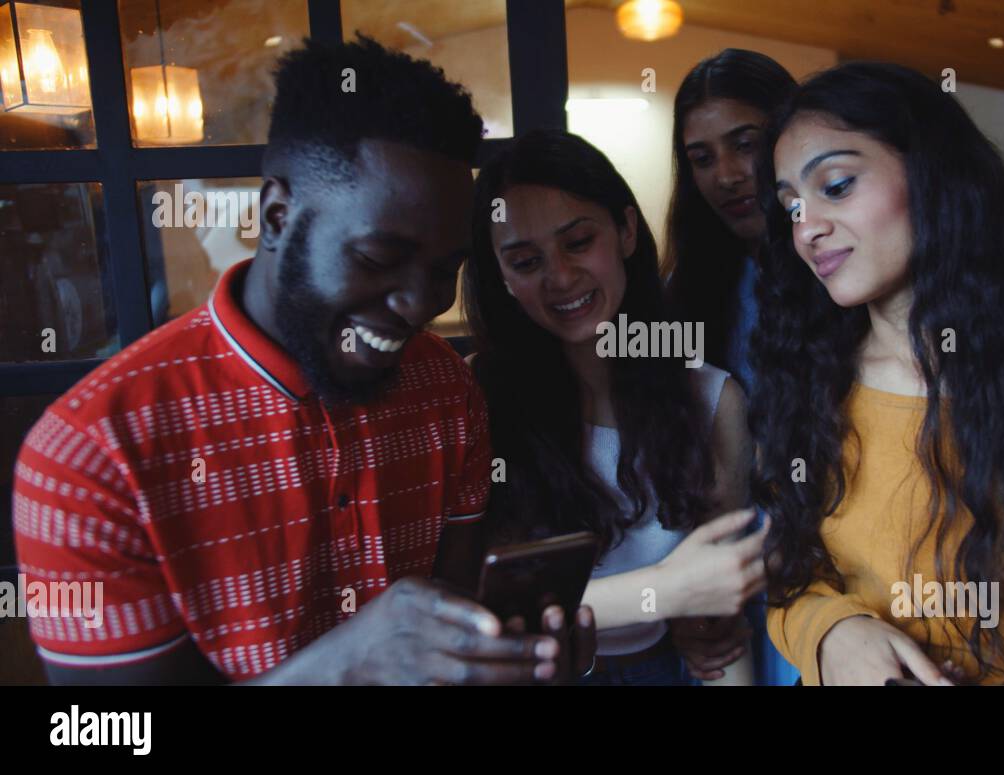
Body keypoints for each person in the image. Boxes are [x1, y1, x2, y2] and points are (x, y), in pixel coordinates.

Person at [11, 37, 592, 685]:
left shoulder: (447, 391)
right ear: (278, 215)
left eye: (443, 271)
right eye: (376, 258)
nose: (416, 304)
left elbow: (448, 639)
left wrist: (508, 663)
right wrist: (342, 664)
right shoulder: (88, 456)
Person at [755, 62, 1004, 685]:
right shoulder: (811, 385)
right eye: (791, 205)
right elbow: (793, 577)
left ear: (932, 174)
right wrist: (830, 634)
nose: (807, 227)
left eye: (836, 185)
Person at [464, 129, 766, 686]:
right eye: (526, 261)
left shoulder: (712, 399)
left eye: (578, 242)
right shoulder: (477, 400)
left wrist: (688, 604)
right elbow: (494, 616)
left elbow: (716, 619)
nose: (560, 277)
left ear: (626, 230)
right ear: (502, 278)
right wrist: (667, 591)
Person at [663, 47, 800, 686]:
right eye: (701, 158)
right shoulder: (688, 291)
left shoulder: (842, 269)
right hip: (725, 572)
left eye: (745, 144)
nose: (725, 175)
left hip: (838, 570)